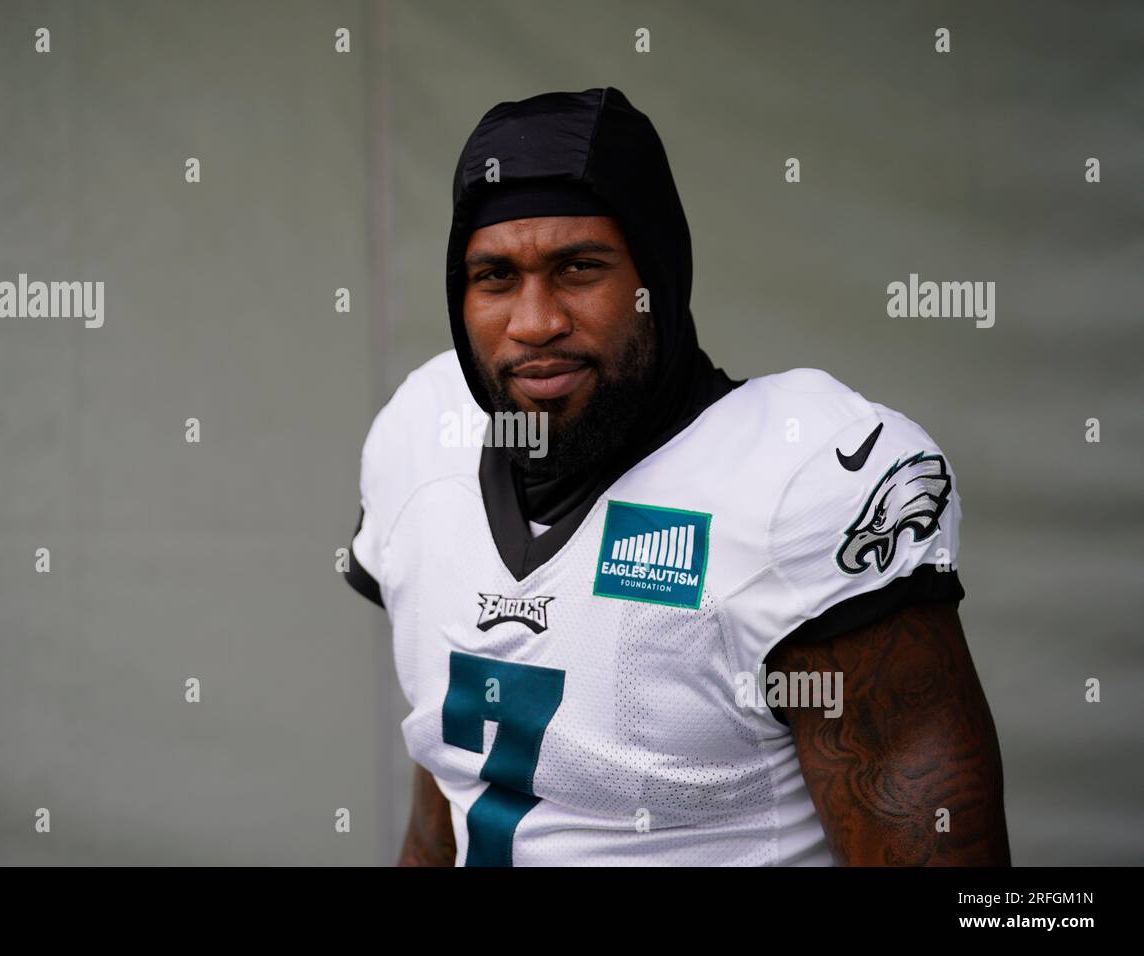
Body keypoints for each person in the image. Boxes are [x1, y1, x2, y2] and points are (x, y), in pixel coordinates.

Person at [345, 87, 1009, 866]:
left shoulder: (797, 483)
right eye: (494, 277)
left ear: (656, 273)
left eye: (578, 268)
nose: (534, 321)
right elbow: (454, 786)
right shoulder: (424, 436)